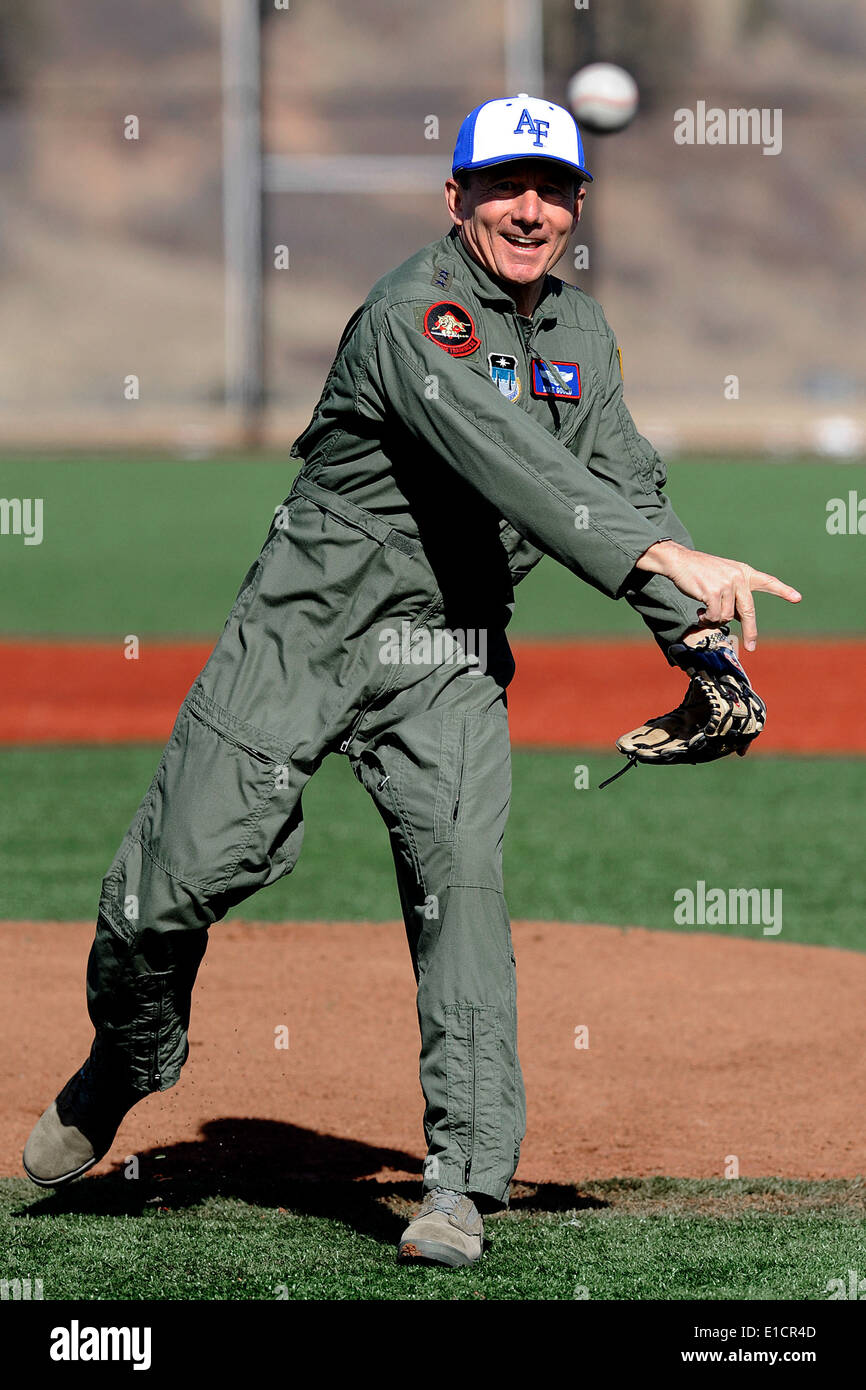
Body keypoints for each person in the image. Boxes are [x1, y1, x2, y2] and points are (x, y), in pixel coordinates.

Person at [23, 94, 800, 1267]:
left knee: (461, 899)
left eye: (551, 188)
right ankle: (131, 1051)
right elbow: (514, 463)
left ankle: (460, 1183)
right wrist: (648, 554)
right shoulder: (412, 314)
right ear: (457, 198)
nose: (527, 208)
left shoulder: (583, 335)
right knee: (171, 880)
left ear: (576, 206)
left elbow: (622, 480)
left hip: (449, 649)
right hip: (308, 621)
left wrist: (695, 639)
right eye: (503, 185)